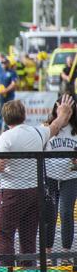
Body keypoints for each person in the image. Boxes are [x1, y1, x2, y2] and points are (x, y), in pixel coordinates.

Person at [0, 96, 73, 267]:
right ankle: (28, 267)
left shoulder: (7, 137)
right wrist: (63, 111)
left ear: (5, 119)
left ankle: (7, 267)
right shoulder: (37, 132)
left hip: (13, 191)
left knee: (3, 230)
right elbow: (56, 125)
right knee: (28, 233)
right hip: (35, 191)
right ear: (24, 116)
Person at [43, 96, 77, 261]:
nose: (66, 113)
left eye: (69, 110)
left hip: (70, 176)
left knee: (65, 212)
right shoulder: (49, 126)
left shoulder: (75, 129)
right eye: (63, 109)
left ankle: (65, 253)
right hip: (50, 175)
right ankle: (48, 253)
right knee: (50, 212)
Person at [0, 57, 18, 132]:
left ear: (8, 63)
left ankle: (6, 127)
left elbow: (13, 84)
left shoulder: (12, 72)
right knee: (0, 111)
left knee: (9, 112)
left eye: (5, 62)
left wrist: (6, 90)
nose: (4, 64)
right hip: (1, 95)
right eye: (2, 63)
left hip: (9, 95)